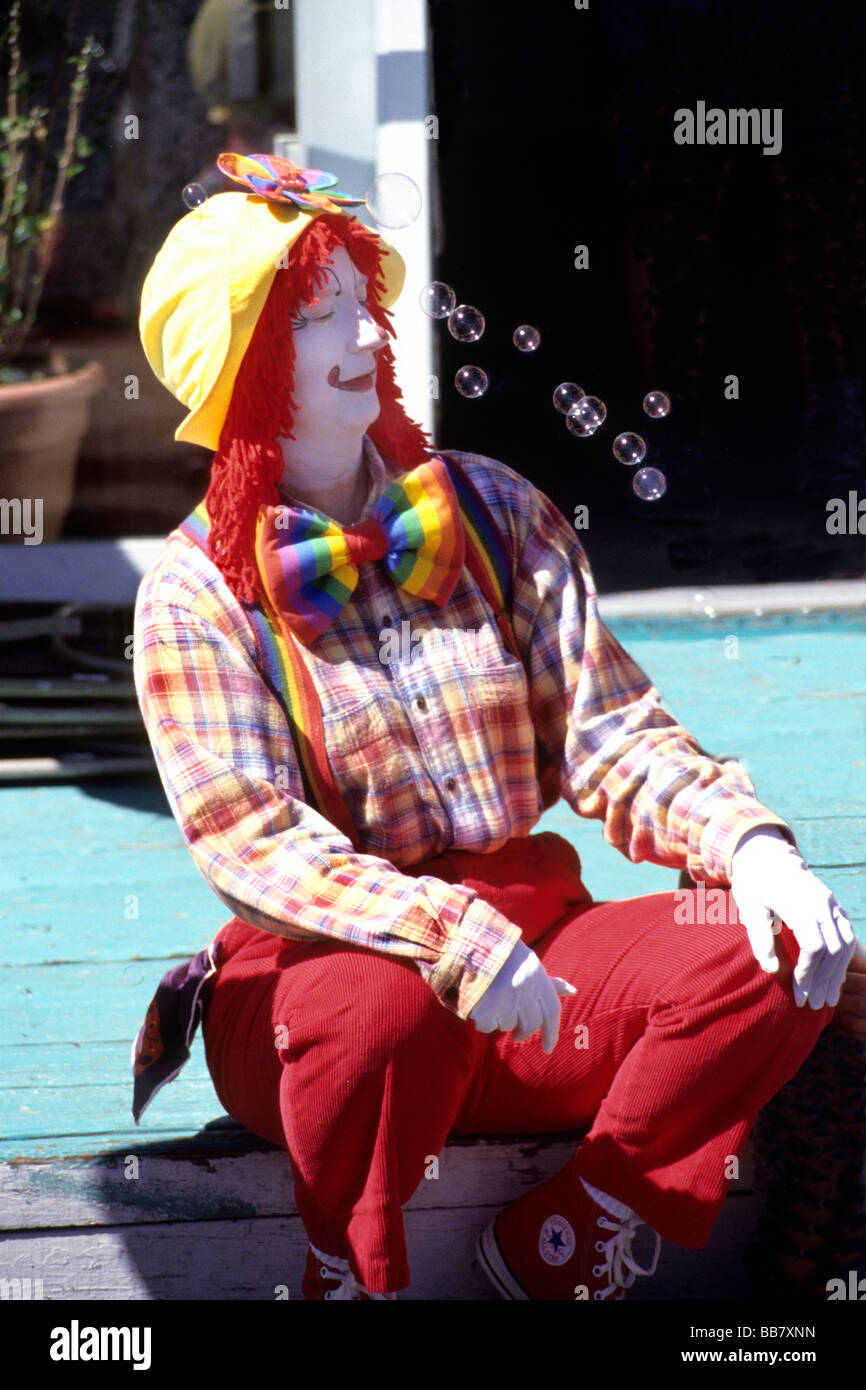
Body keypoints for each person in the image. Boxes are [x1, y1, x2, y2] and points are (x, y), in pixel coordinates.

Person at [133, 152, 856, 1301]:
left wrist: (749, 846)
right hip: (331, 986)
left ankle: (570, 1232)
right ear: (241, 363)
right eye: (319, 318)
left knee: (767, 954)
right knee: (375, 1015)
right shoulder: (194, 592)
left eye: (361, 304)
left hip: (536, 967)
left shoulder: (491, 509)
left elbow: (609, 728)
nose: (368, 338)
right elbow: (251, 839)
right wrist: (446, 937)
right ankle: (344, 1269)